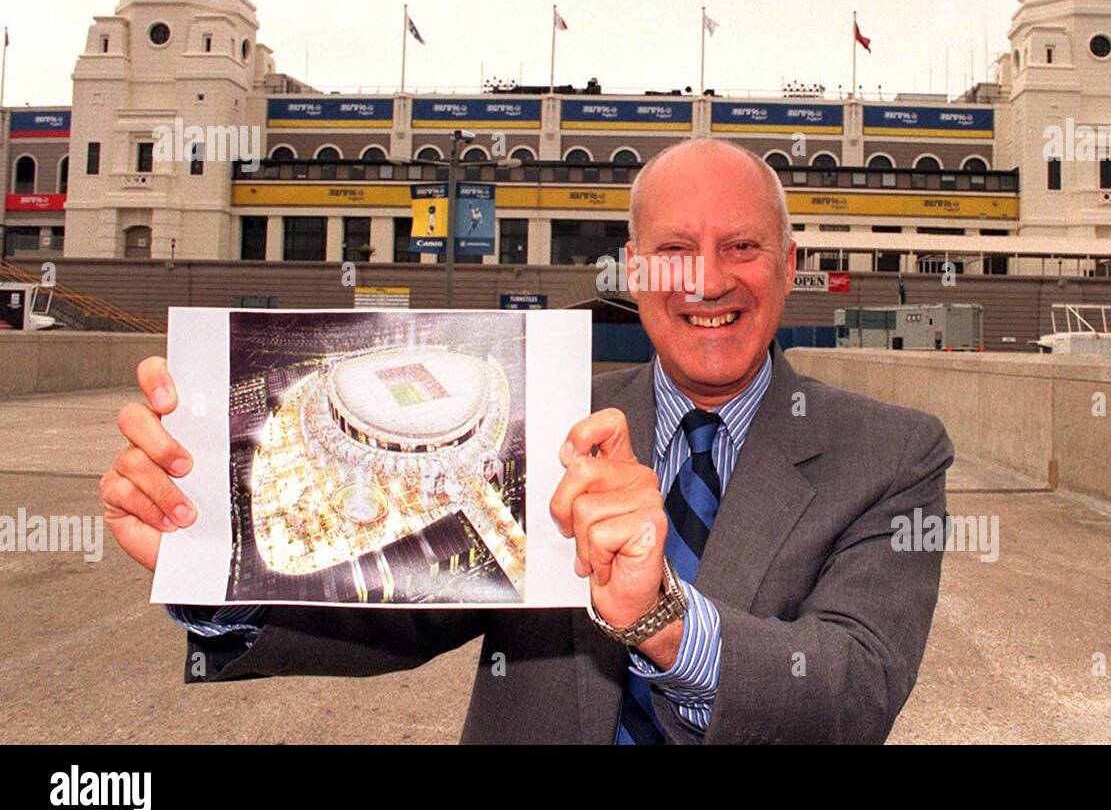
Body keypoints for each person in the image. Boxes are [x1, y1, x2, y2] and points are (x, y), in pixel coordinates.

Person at [100, 138, 953, 744]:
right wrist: (217, 553)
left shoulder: (891, 454)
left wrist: (663, 621)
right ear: (634, 267)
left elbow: (853, 687)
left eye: (741, 247)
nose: (706, 280)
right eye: (673, 249)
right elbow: (402, 607)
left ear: (788, 259)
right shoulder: (546, 419)